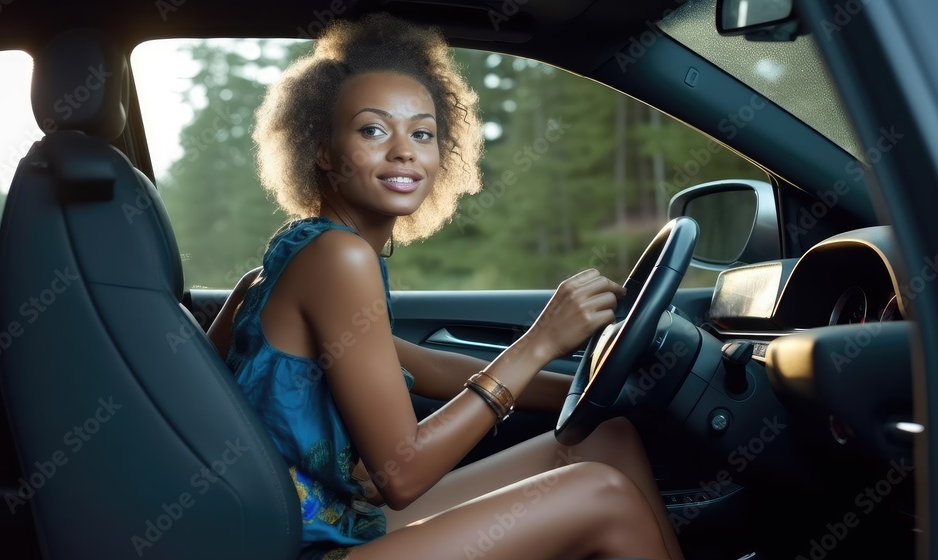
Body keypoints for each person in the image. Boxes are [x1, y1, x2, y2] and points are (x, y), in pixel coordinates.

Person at [208, 13, 683, 560]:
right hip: (303, 545)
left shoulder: (300, 253)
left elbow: (425, 366)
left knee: (607, 438)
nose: (404, 150)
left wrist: (595, 385)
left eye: (422, 132)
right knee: (602, 496)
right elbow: (400, 475)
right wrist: (541, 342)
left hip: (324, 519)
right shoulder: (339, 258)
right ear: (321, 150)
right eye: (372, 129)